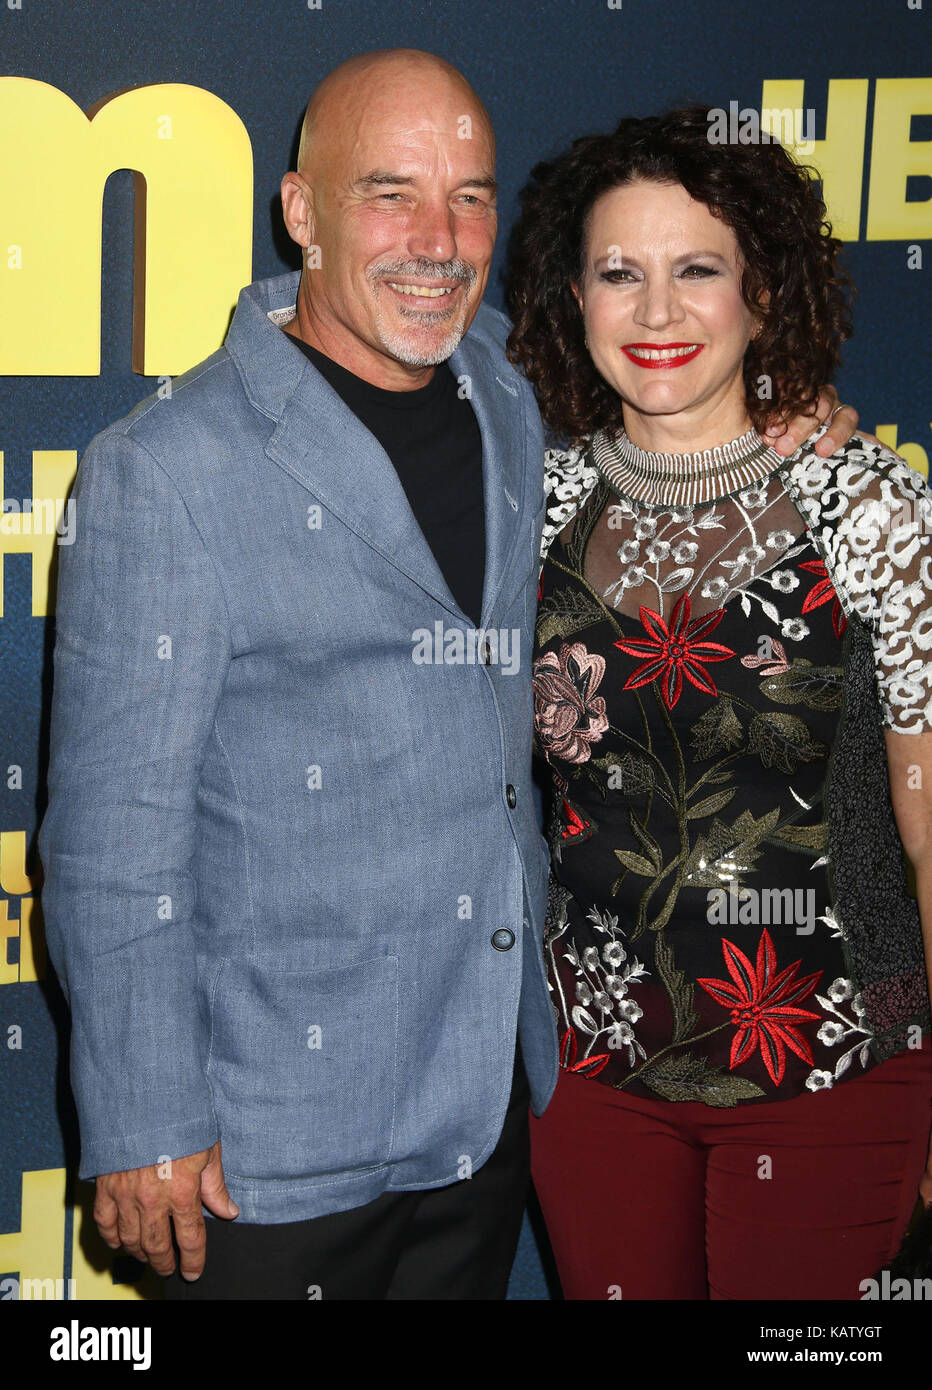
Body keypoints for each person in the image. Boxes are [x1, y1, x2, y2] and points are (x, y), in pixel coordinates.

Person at [38, 54, 861, 1303]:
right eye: (389, 194)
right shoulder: (167, 471)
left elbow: (671, 395)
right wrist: (145, 1118)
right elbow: (111, 839)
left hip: (484, 1108)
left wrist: (794, 415)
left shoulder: (510, 391)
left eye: (469, 197)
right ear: (300, 213)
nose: (437, 241)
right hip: (262, 1151)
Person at [506, 106, 932, 1301]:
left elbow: (926, 829)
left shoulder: (868, 509)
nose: (654, 314)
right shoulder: (529, 509)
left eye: (697, 269)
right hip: (590, 1079)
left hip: (834, 1068)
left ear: (761, 293)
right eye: (616, 273)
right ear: (570, 299)